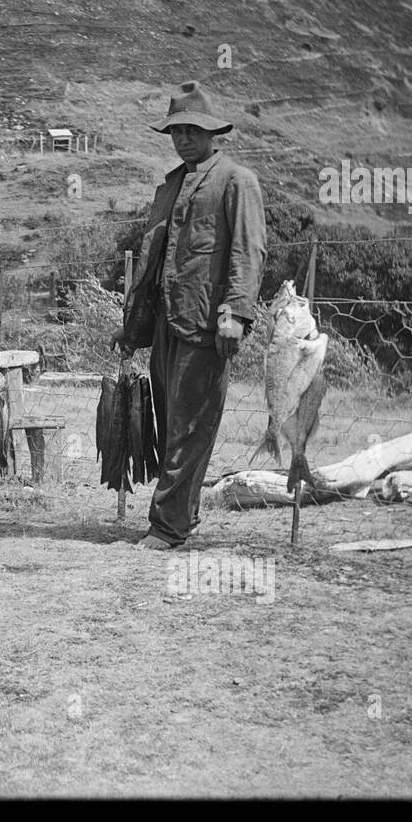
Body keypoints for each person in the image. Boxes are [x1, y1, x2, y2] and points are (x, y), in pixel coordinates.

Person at [111, 82, 267, 550]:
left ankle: (167, 527)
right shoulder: (172, 183)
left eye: (192, 130)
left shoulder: (237, 181)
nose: (183, 139)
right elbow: (154, 259)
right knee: (168, 421)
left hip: (205, 325)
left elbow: (248, 250)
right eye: (176, 131)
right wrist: (134, 326)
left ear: (212, 132)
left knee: (190, 427)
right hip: (165, 324)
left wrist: (235, 312)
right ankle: (179, 517)